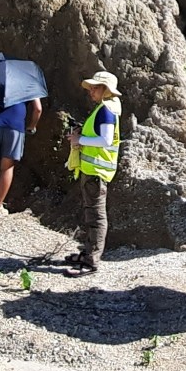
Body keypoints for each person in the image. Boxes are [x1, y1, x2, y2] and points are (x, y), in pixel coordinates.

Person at [60, 70, 121, 278]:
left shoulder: (106, 111)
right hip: (93, 171)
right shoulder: (106, 109)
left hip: (96, 172)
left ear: (106, 90)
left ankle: (91, 260)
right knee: (92, 214)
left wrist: (79, 141)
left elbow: (105, 140)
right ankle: (88, 253)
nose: (91, 91)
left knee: (96, 216)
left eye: (96, 87)